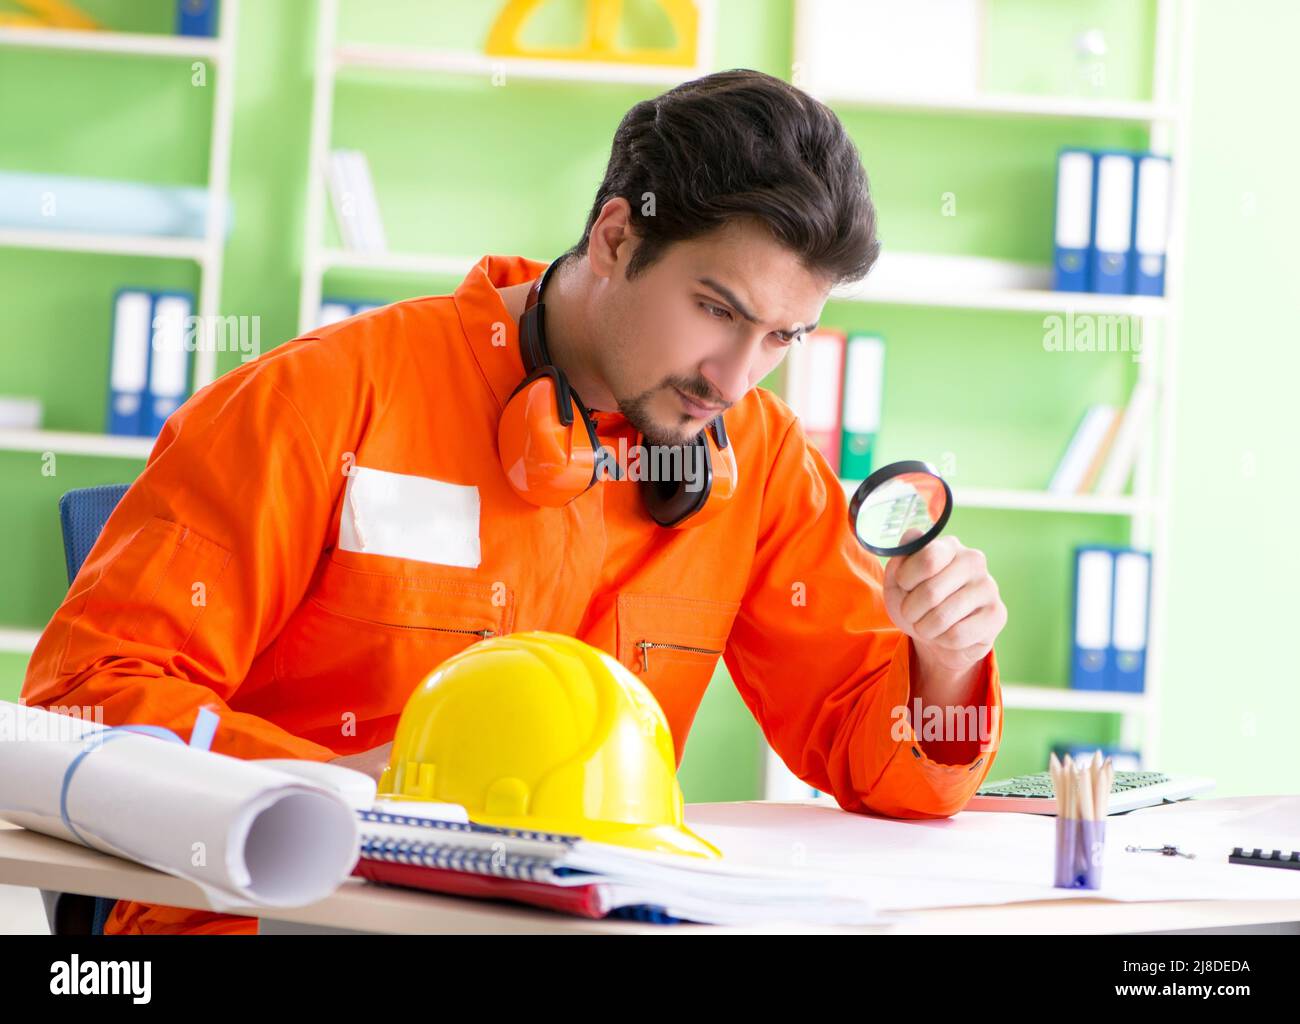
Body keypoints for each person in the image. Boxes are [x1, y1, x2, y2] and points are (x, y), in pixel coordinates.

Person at [23, 69, 1006, 935]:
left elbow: (882, 762)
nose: (736, 378)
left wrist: (946, 663)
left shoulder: (756, 455)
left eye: (784, 338)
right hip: (272, 909)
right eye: (718, 309)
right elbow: (87, 699)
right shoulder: (321, 399)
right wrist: (376, 799)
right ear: (617, 235)